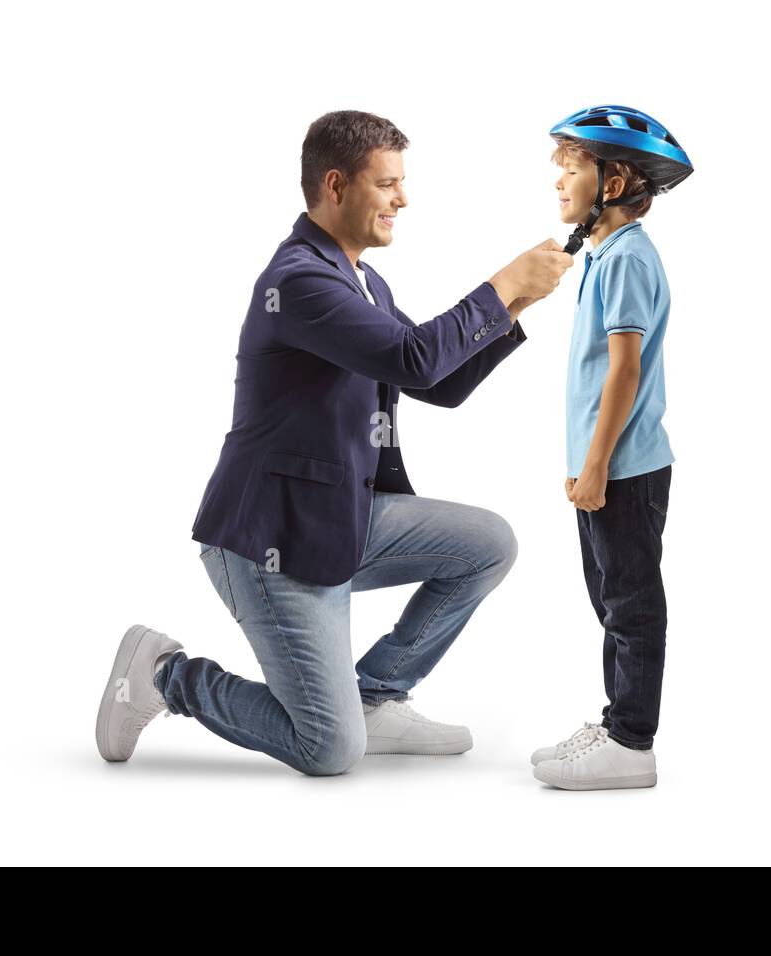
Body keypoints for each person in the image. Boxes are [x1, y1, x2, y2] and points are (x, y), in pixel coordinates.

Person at [96, 109, 573, 776]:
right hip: (271, 539)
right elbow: (414, 358)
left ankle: (375, 695)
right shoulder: (300, 281)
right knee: (327, 748)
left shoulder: (363, 281)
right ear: (335, 185)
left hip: (338, 518)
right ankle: (164, 675)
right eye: (388, 184)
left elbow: (436, 382)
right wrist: (505, 284)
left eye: (402, 182)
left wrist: (517, 305)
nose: (403, 198)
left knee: (488, 543)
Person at [528, 105, 694, 791]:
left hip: (621, 468)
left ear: (616, 178)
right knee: (610, 602)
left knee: (631, 603)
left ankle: (632, 742)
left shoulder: (627, 259)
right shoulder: (605, 255)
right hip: (602, 466)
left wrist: (596, 465)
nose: (557, 178)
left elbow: (624, 371)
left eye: (572, 164)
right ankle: (616, 721)